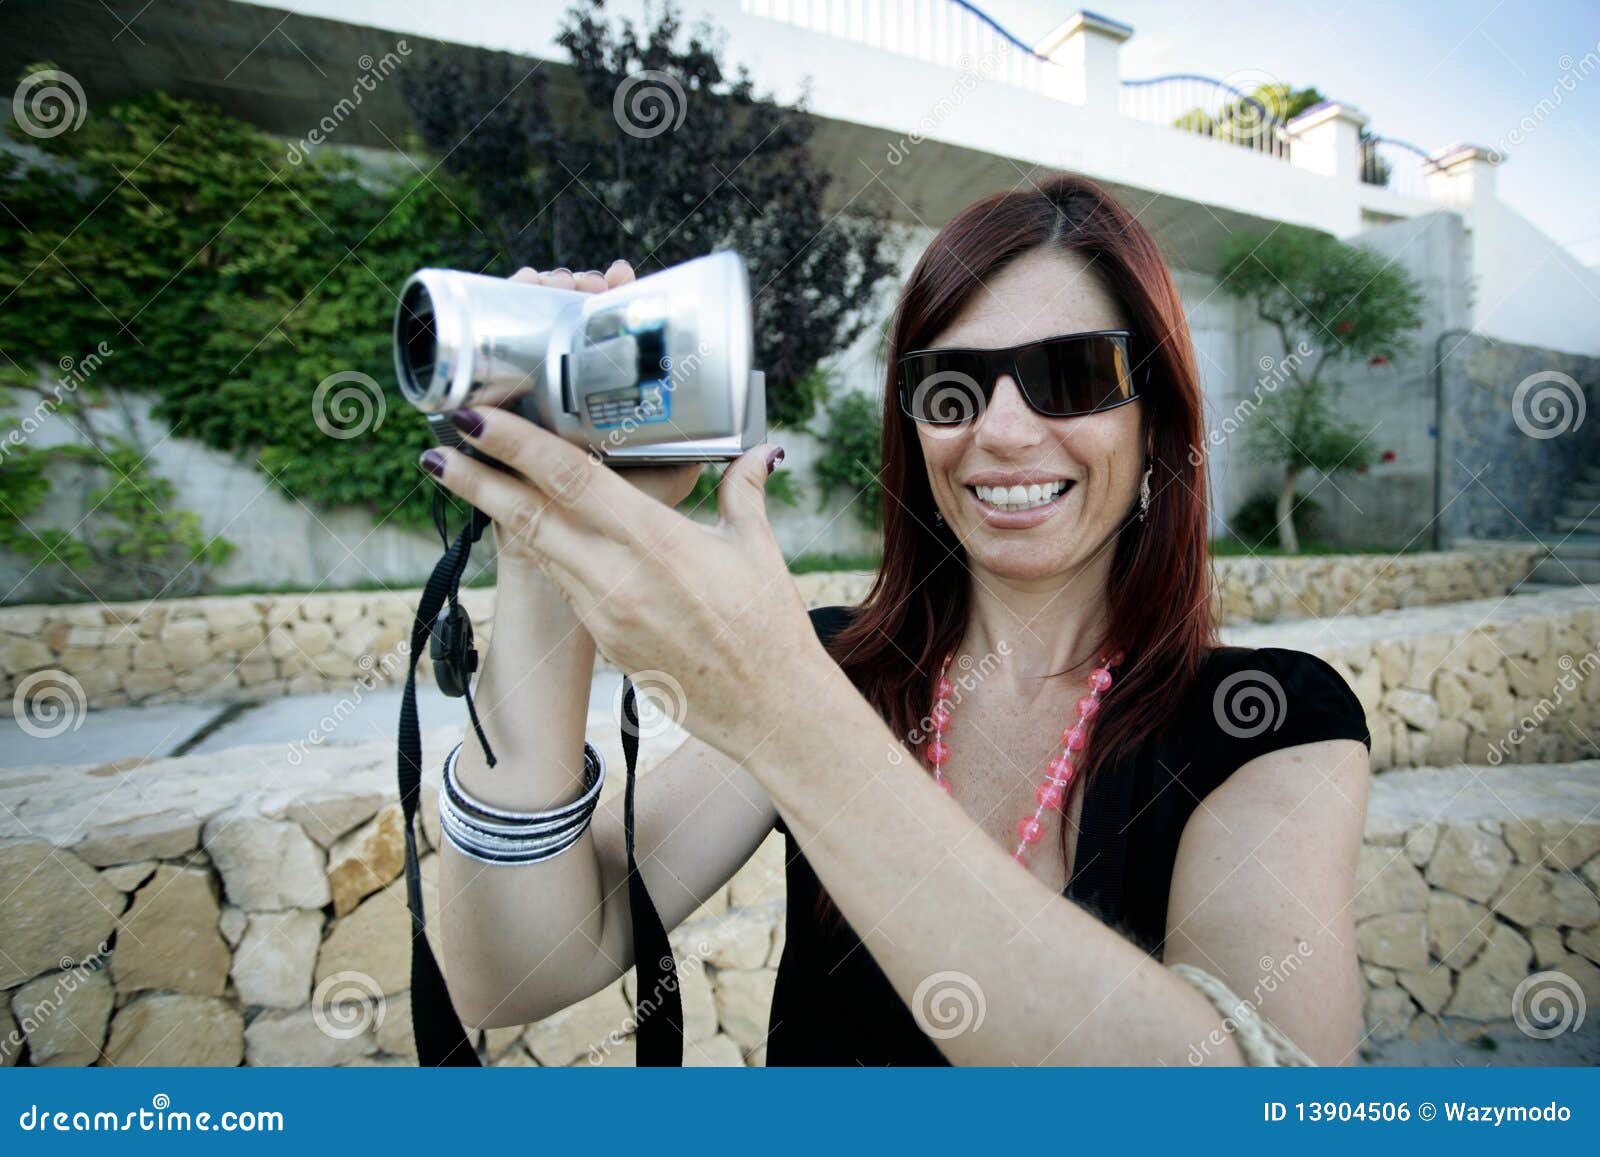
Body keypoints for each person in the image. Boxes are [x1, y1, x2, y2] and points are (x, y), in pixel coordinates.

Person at [419, 172, 1372, 1066]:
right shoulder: (838, 665)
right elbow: (514, 972)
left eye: (1073, 375)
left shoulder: (1271, 718)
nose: (999, 430)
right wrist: (541, 530)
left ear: (1154, 419)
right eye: (951, 386)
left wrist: (783, 709)